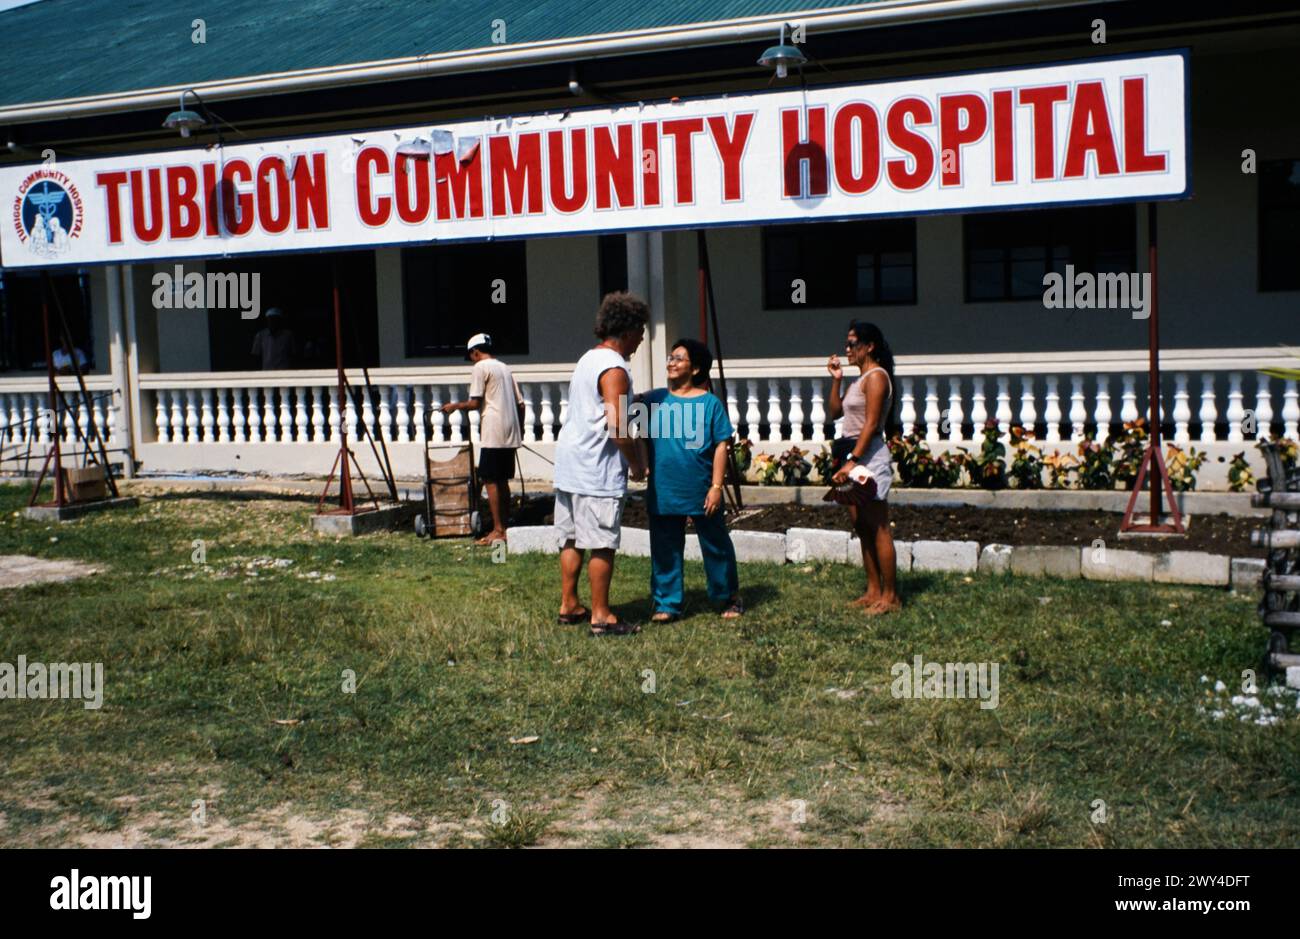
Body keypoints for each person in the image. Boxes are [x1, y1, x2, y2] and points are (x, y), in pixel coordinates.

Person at [553, 292, 648, 636]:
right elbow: (618, 426)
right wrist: (637, 463)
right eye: (640, 331)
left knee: (572, 538)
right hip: (596, 466)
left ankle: (568, 605)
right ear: (628, 328)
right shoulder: (615, 367)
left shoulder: (587, 359)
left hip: (570, 463)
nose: (641, 339)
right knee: (602, 541)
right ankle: (602, 615)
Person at [641, 339, 742, 622]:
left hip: (701, 488)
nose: (671, 362)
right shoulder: (654, 400)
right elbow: (627, 424)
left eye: (679, 358)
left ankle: (727, 597)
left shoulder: (710, 403)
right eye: (671, 357)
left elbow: (722, 445)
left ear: (696, 368)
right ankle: (667, 603)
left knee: (715, 544)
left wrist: (716, 486)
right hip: (664, 489)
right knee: (665, 547)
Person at [827, 320, 901, 615]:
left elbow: (871, 424)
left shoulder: (877, 377)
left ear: (869, 346)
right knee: (861, 524)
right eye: (846, 344)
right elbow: (835, 412)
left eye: (852, 344)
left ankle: (891, 596)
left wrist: (853, 461)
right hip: (852, 452)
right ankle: (872, 590)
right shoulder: (859, 379)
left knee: (879, 526)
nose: (847, 350)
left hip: (867, 456)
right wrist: (836, 380)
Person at [441, 332, 526, 545]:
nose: (471, 359)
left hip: (493, 431)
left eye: (470, 355)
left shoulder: (480, 368)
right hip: (509, 431)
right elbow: (521, 404)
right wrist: (520, 430)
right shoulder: (505, 368)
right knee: (502, 480)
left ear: (475, 352)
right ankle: (503, 527)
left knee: (490, 480)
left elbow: (475, 403)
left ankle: (498, 531)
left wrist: (454, 406)